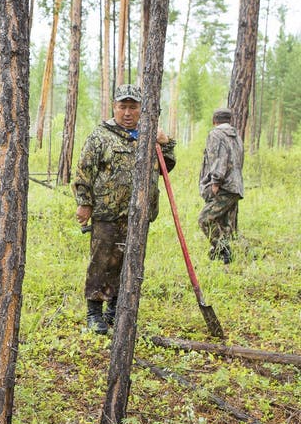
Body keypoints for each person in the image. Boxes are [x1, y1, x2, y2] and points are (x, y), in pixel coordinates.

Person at [73, 84, 176, 334]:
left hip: (139, 216)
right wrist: (84, 203)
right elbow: (84, 170)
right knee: (101, 262)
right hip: (107, 214)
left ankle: (116, 310)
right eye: (123, 107)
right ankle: (94, 314)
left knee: (129, 263)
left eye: (133, 107)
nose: (127, 113)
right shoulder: (101, 135)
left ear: (141, 109)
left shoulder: (149, 135)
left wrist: (167, 143)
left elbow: (166, 167)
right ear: (114, 107)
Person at [198, 107, 244, 264]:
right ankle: (220, 257)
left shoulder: (215, 135)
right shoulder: (236, 136)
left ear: (214, 121)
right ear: (230, 120)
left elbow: (219, 158)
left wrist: (215, 182)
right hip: (235, 186)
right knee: (223, 222)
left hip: (223, 186)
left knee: (205, 219)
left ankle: (224, 251)